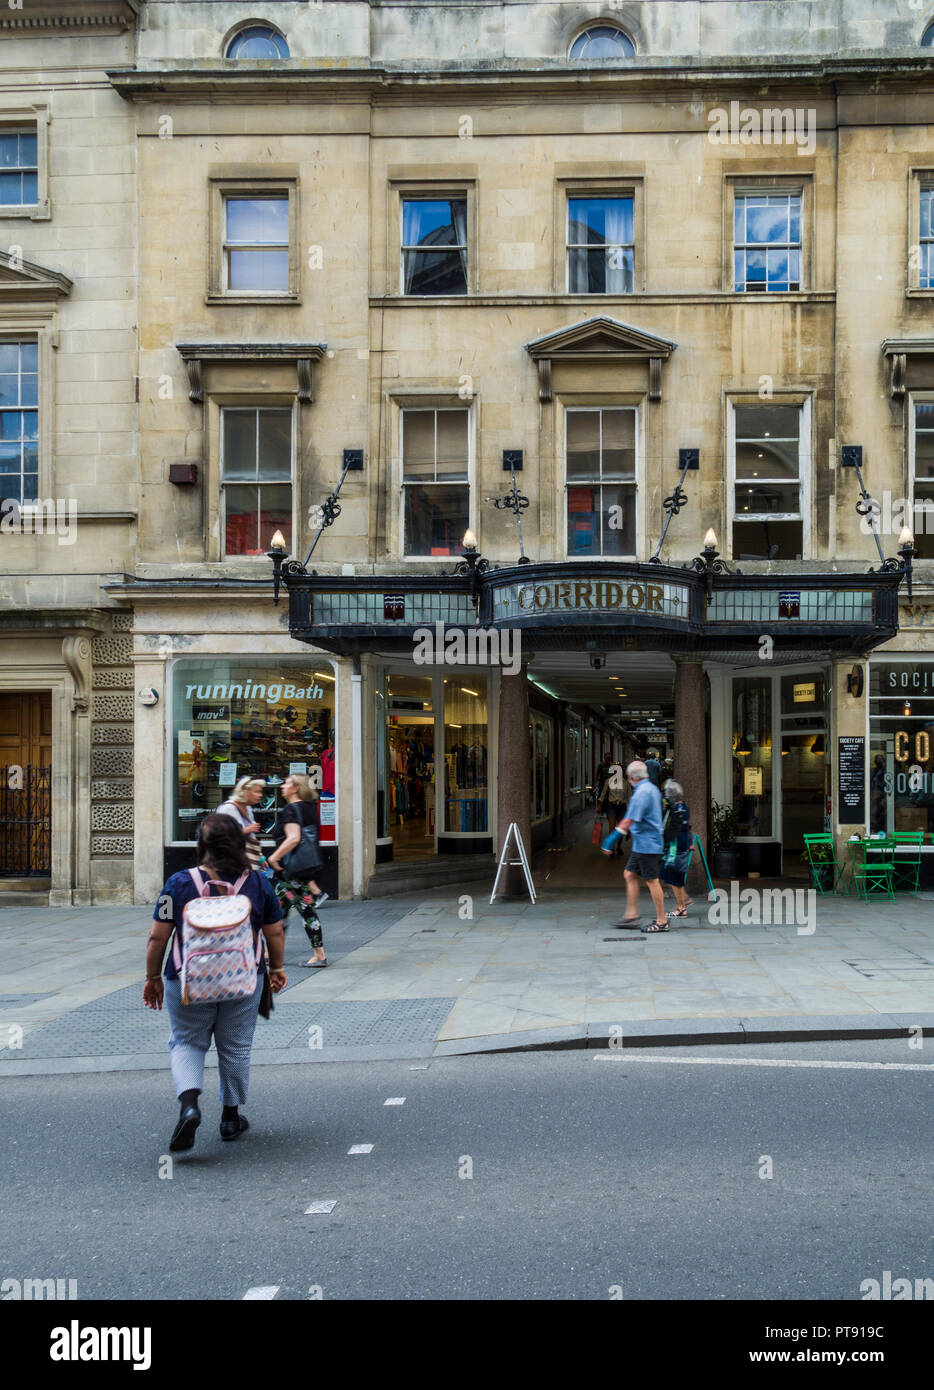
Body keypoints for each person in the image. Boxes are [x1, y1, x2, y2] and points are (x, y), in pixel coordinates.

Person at [143, 813, 286, 1153]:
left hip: (187, 980)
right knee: (235, 1045)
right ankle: (230, 1117)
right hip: (243, 978)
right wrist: (277, 967)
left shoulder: (177, 883)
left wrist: (152, 977)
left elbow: (156, 937)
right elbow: (275, 931)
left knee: (187, 1042)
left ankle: (189, 1106)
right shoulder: (258, 883)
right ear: (239, 845)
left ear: (202, 845)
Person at [265, 773, 328, 968]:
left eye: (286, 783)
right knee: (277, 912)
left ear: (296, 788)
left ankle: (319, 955)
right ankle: (270, 954)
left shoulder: (291, 810)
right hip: (298, 870)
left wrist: (274, 857)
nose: (283, 786)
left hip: (293, 871)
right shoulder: (308, 808)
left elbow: (294, 838)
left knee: (306, 911)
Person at [611, 760, 668, 932]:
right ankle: (632, 915)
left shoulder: (642, 792)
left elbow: (629, 819)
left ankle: (661, 921)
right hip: (643, 842)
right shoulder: (651, 788)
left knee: (652, 880)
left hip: (647, 843)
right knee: (629, 874)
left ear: (631, 777)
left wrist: (611, 840)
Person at [216, 775, 266, 870]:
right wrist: (246, 830)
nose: (261, 795)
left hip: (242, 859)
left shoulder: (247, 808)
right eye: (257, 792)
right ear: (245, 792)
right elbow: (221, 835)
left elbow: (252, 838)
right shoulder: (228, 808)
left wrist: (260, 857)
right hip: (229, 861)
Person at [660, 778, 693, 918]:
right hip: (681, 846)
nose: (665, 797)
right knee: (672, 876)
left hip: (676, 848)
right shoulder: (683, 806)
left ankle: (681, 907)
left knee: (674, 878)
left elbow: (671, 828)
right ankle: (683, 903)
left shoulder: (676, 809)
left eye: (666, 794)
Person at [597, 760, 628, 856]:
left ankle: (619, 847)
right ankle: (612, 848)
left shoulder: (626, 782)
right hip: (611, 806)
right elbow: (602, 794)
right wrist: (599, 806)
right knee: (611, 828)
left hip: (622, 806)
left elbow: (629, 797)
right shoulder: (608, 781)